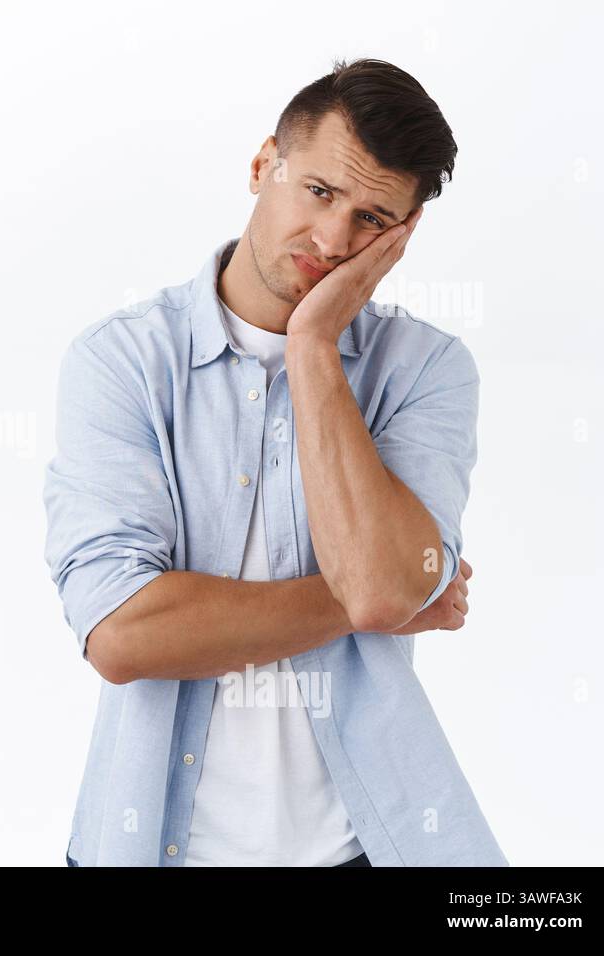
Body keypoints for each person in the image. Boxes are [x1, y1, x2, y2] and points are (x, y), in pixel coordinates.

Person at [43, 58, 506, 867]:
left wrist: (314, 346)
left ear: (403, 235)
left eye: (371, 218)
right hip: (150, 840)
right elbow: (121, 636)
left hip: (368, 844)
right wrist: (379, 595)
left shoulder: (426, 371)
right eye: (319, 192)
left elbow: (389, 585)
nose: (332, 241)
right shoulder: (121, 363)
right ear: (264, 165)